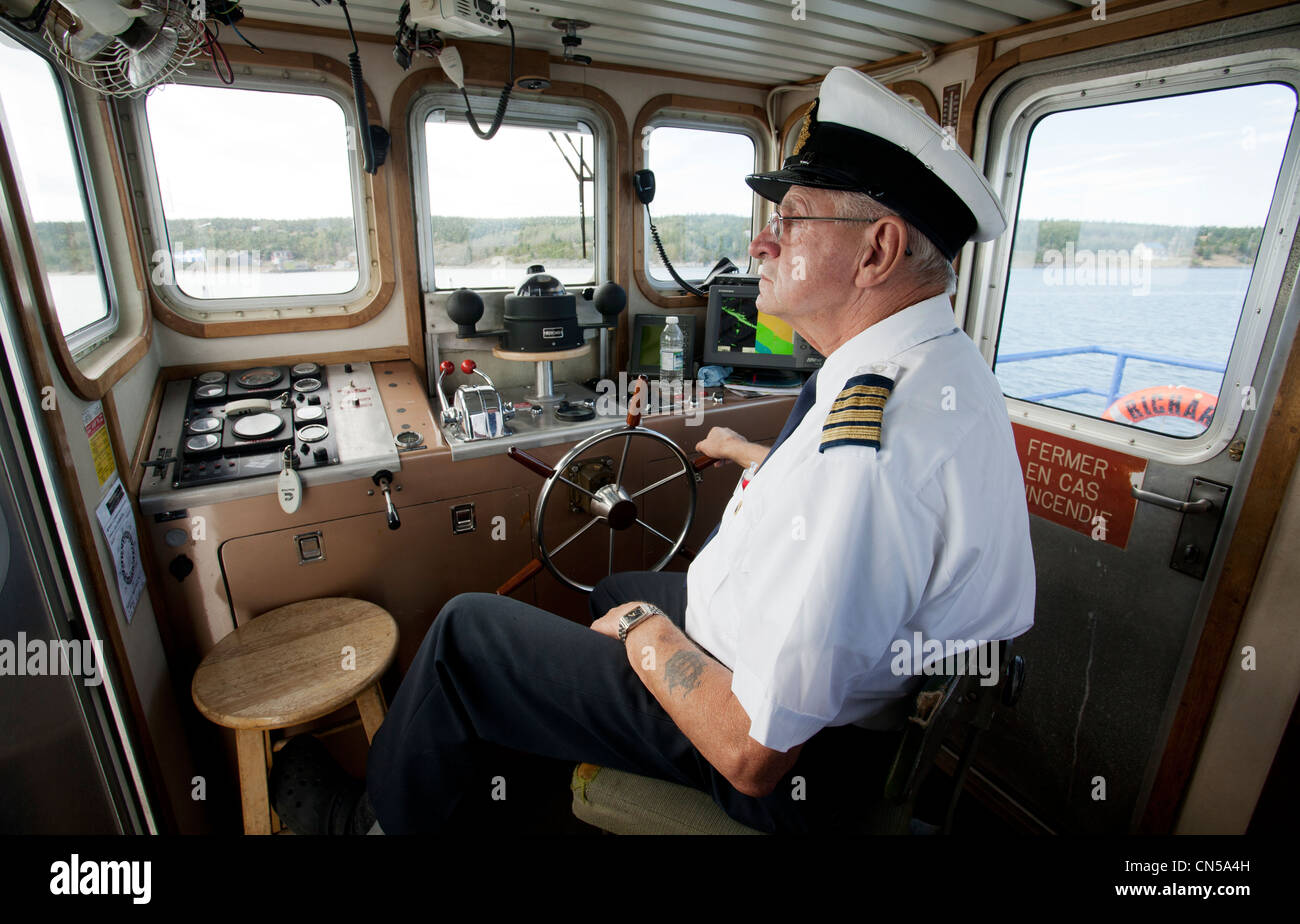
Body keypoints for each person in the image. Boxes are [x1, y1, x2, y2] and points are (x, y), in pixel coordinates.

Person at [269, 66, 1036, 835]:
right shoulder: (935, 370)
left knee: (467, 638)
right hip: (841, 706)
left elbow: (753, 751)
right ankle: (519, 766)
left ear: (878, 251)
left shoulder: (872, 449)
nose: (761, 242)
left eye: (794, 219)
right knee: (613, 588)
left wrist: (647, 629)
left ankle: (365, 823)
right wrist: (745, 456)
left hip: (788, 763)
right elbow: (844, 523)